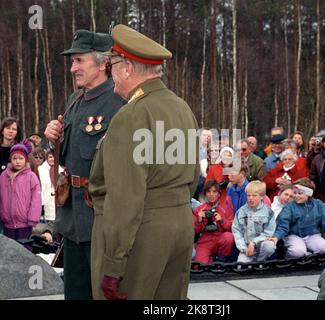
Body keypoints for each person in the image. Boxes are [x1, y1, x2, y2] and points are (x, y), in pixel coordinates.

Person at [88, 24, 200, 300]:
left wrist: (113, 263)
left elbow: (125, 197)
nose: (109, 71)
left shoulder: (132, 115)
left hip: (140, 235)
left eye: (112, 64)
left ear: (126, 68)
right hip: (179, 225)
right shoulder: (181, 106)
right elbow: (193, 174)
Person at [44, 29, 125, 300]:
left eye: (79, 61)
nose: (72, 68)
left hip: (102, 220)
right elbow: (69, 158)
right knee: (75, 293)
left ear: (103, 63)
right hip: (73, 221)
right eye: (72, 61)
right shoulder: (74, 101)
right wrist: (54, 137)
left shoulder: (120, 102)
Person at [269, 178, 325, 259]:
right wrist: (276, 236)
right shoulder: (290, 207)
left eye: (300, 193)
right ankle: (288, 258)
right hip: (293, 235)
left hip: (312, 235)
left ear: (308, 194)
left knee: (324, 247)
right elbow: (282, 224)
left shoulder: (318, 205)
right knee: (298, 251)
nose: (296, 196)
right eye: (295, 193)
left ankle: (311, 256)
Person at [0, 140, 42, 251]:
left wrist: (33, 217)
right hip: (8, 224)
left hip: (25, 224)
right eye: (15, 158)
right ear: (10, 159)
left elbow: (36, 199)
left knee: (24, 252)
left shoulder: (31, 176)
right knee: (9, 252)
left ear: (26, 159)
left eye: (21, 158)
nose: (18, 161)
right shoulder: (4, 176)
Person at [232, 181, 276, 263]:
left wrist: (254, 242)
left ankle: (260, 261)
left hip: (261, 246)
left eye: (254, 195)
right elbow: (237, 232)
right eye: (248, 195)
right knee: (241, 266)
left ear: (262, 197)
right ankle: (251, 260)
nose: (251, 198)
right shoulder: (240, 212)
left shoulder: (269, 212)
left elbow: (268, 233)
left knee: (269, 246)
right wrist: (244, 249)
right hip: (247, 248)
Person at [193, 180, 234, 264]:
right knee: (199, 265)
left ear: (219, 194)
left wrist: (222, 220)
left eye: (214, 192)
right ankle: (210, 261)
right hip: (206, 240)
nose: (211, 194)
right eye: (208, 192)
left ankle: (221, 260)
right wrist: (199, 219)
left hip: (220, 237)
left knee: (228, 237)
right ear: (205, 194)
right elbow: (195, 230)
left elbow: (231, 227)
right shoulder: (200, 209)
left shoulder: (225, 207)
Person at [38, 150, 63, 227]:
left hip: (59, 204)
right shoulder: (40, 169)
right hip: (46, 204)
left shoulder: (62, 169)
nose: (52, 159)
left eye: (54, 157)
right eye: (50, 157)